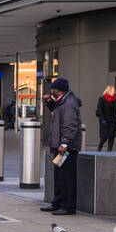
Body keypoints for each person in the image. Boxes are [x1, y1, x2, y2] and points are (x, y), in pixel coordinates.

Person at [43, 77, 82, 215]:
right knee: (59, 176)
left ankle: (69, 206)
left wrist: (65, 143)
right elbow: (57, 112)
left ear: (58, 90)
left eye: (52, 89)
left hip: (67, 148)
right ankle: (58, 202)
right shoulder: (62, 101)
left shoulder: (69, 103)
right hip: (60, 146)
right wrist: (49, 102)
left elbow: (70, 125)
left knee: (67, 176)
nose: (51, 91)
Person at [95, 85, 116, 152]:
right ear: (108, 91)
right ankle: (99, 147)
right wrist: (102, 119)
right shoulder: (102, 99)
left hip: (112, 121)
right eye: (112, 90)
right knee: (104, 137)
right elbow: (99, 111)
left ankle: (109, 151)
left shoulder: (115, 100)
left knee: (112, 137)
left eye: (114, 91)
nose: (114, 92)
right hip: (104, 121)